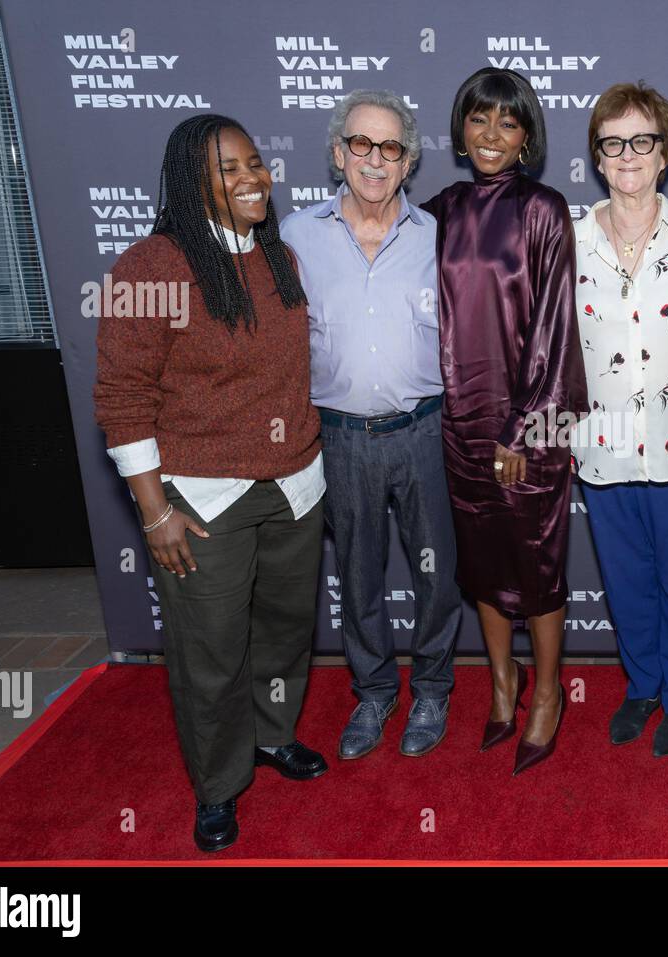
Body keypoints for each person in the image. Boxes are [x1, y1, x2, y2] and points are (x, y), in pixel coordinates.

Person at [94, 114, 328, 853]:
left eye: (255, 162)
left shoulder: (278, 254)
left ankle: (272, 734)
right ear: (192, 179)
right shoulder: (147, 267)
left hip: (295, 485)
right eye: (228, 168)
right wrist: (155, 510)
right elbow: (122, 396)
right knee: (211, 649)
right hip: (201, 497)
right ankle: (219, 785)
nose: (253, 177)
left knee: (285, 633)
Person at [282, 91, 462, 761]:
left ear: (409, 161)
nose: (375, 160)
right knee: (356, 574)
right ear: (338, 152)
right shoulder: (296, 236)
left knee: (436, 572)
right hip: (340, 438)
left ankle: (435, 688)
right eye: (361, 144)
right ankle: (375, 690)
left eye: (390, 148)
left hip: (424, 431)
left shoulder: (439, 236)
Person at [421, 68, 588, 775]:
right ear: (460, 129)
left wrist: (525, 430)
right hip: (459, 426)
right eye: (479, 120)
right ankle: (502, 683)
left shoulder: (543, 209)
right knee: (485, 567)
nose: (492, 135)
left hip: (529, 429)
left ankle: (548, 693)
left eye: (507, 123)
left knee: (538, 566)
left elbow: (555, 325)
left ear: (527, 135)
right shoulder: (437, 210)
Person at [572, 83, 668, 757]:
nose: (628, 155)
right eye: (613, 142)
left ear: (665, 152)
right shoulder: (565, 241)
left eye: (642, 140)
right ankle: (644, 685)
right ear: (598, 157)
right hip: (601, 446)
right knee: (625, 580)